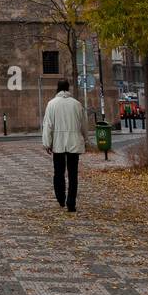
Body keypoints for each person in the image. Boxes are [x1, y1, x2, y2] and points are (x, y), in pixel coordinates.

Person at [41, 79, 87, 214]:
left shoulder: (52, 104)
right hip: (74, 142)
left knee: (58, 172)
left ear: (58, 89)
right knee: (73, 174)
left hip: (58, 143)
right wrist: (86, 139)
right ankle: (71, 203)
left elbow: (48, 125)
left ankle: (61, 198)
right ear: (68, 89)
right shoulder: (77, 104)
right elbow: (83, 124)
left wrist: (47, 143)